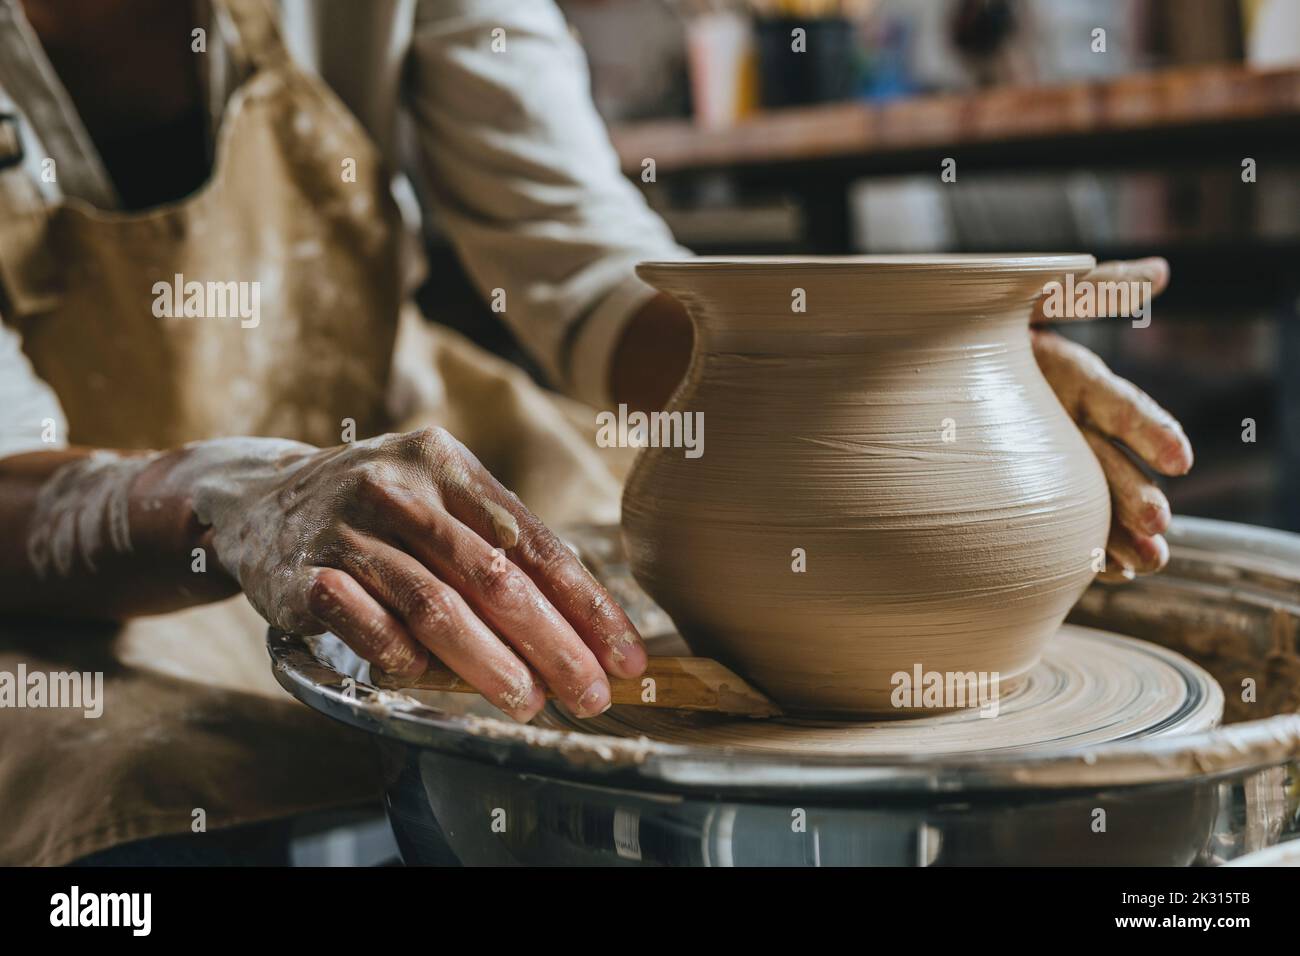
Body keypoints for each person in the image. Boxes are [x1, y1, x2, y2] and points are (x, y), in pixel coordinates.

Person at [0, 0, 1191, 865]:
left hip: (377, 438)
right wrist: (235, 493)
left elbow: (578, 269)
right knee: (141, 770)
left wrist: (875, 362)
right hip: (57, 546)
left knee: (592, 590)